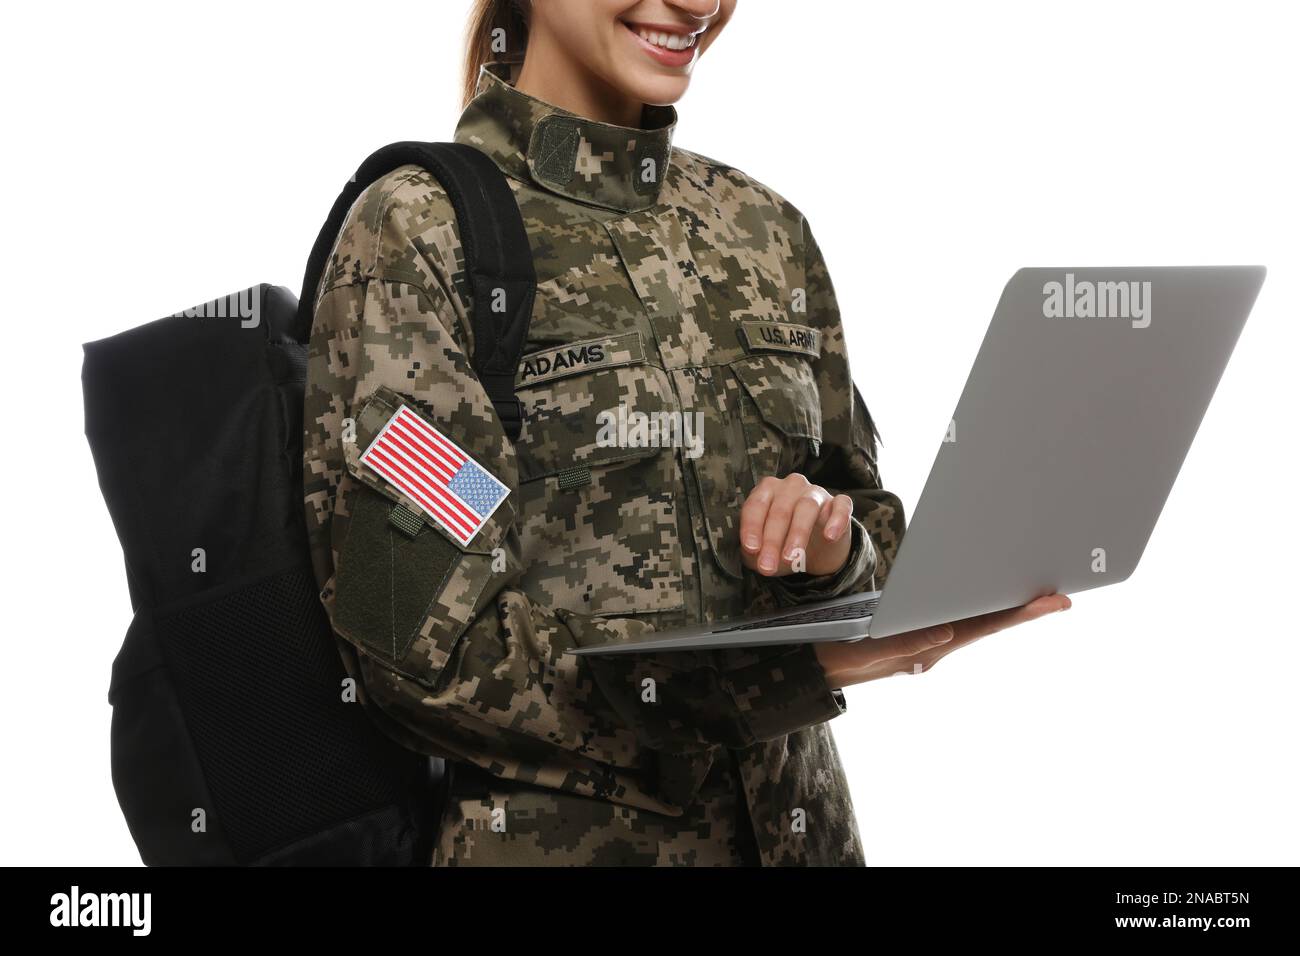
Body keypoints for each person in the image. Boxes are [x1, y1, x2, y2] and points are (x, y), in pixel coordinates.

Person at [302, 0, 1069, 866]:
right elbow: (417, 640)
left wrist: (829, 557)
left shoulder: (765, 231)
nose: (700, 3)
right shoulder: (425, 234)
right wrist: (789, 674)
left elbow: (870, 522)